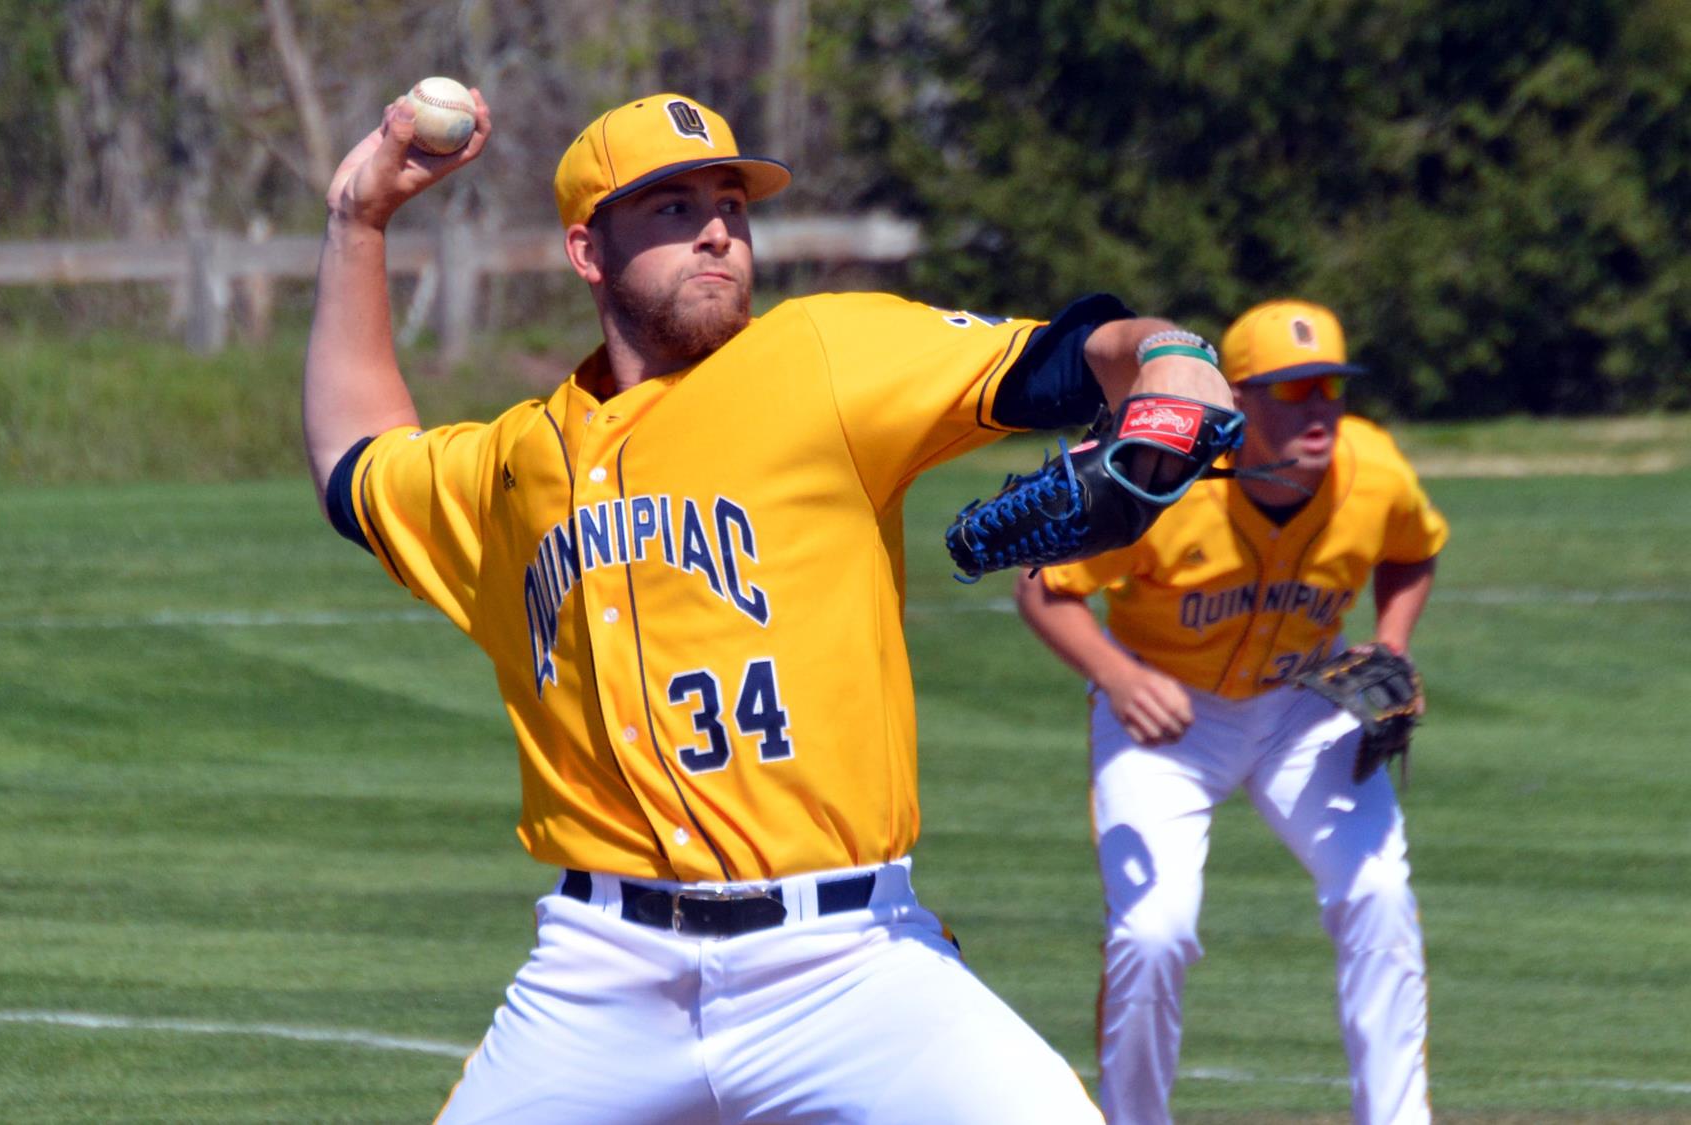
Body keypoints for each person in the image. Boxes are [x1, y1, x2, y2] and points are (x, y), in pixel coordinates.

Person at [303, 86, 1236, 1123]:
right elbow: (354, 462)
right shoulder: (515, 466)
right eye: (671, 206)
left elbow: (1067, 356)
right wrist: (358, 218)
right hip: (599, 976)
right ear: (586, 251)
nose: (715, 230)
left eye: (731, 207)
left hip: (846, 963)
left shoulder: (823, 355)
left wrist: (1173, 359)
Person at [1014, 299, 1446, 1124]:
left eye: (1329, 387)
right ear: (1237, 399)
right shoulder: (1158, 477)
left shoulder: (1375, 469)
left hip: (1304, 705)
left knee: (1379, 893)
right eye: (1291, 390)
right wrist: (1114, 673)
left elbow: (1413, 550)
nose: (1317, 409)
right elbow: (1043, 586)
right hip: (1166, 717)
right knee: (1154, 932)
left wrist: (1392, 642)